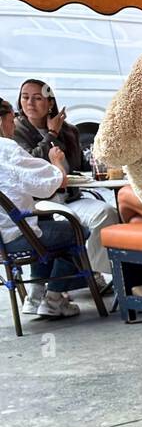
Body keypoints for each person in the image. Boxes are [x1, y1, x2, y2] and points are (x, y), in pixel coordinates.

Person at [13, 79, 119, 288]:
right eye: (25, 97)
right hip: (40, 202)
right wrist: (50, 135)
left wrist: (104, 161)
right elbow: (30, 165)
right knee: (71, 226)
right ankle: (84, 275)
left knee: (107, 213)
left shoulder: (69, 130)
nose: (30, 103)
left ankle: (96, 270)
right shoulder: (17, 130)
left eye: (37, 98)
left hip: (70, 197)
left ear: (50, 103)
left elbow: (79, 166)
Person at [0, 134, 84, 318]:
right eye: (12, 121)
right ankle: (53, 299)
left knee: (41, 226)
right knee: (79, 231)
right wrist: (56, 161)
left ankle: (35, 296)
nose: (14, 126)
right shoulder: (5, 147)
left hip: (3, 241)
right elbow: (53, 182)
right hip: (16, 237)